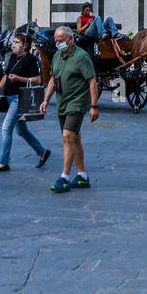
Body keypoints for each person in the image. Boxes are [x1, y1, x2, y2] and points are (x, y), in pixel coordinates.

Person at [40, 25, 98, 192]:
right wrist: (45, 99)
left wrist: (94, 106)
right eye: (56, 40)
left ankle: (64, 177)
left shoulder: (82, 57)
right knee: (74, 138)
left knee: (67, 137)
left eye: (61, 40)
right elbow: (53, 78)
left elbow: (92, 82)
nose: (58, 43)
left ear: (71, 39)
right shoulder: (58, 55)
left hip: (77, 103)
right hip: (62, 102)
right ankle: (82, 176)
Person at [0, 31, 51, 173]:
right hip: (8, 97)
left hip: (19, 98)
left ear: (25, 45)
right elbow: (5, 76)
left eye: (17, 42)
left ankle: (3, 163)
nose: (14, 44)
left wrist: (19, 79)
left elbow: (38, 80)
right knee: (22, 131)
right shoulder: (12, 57)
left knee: (6, 128)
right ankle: (42, 151)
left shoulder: (30, 60)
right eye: (14, 42)